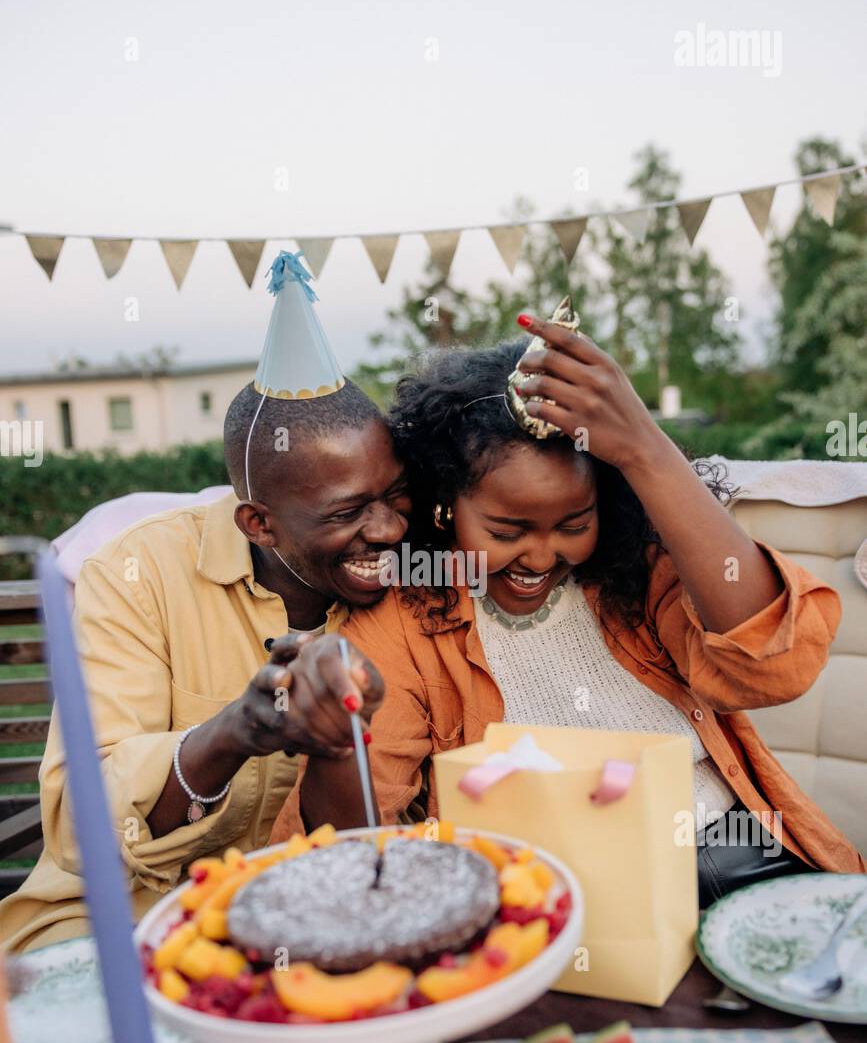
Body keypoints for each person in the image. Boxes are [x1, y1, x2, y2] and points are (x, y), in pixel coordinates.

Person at [270, 305, 865, 902]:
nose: (539, 557)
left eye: (573, 522)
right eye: (506, 532)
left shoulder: (636, 569)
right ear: (445, 507)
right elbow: (336, 845)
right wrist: (335, 729)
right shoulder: (404, 624)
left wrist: (643, 450)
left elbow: (774, 667)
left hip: (744, 853)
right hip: (565, 894)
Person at [0, 253, 399, 952]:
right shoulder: (137, 572)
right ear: (259, 524)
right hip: (110, 932)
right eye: (348, 513)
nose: (389, 530)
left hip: (297, 931)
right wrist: (237, 731)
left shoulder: (404, 586)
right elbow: (75, 827)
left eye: (394, 496)